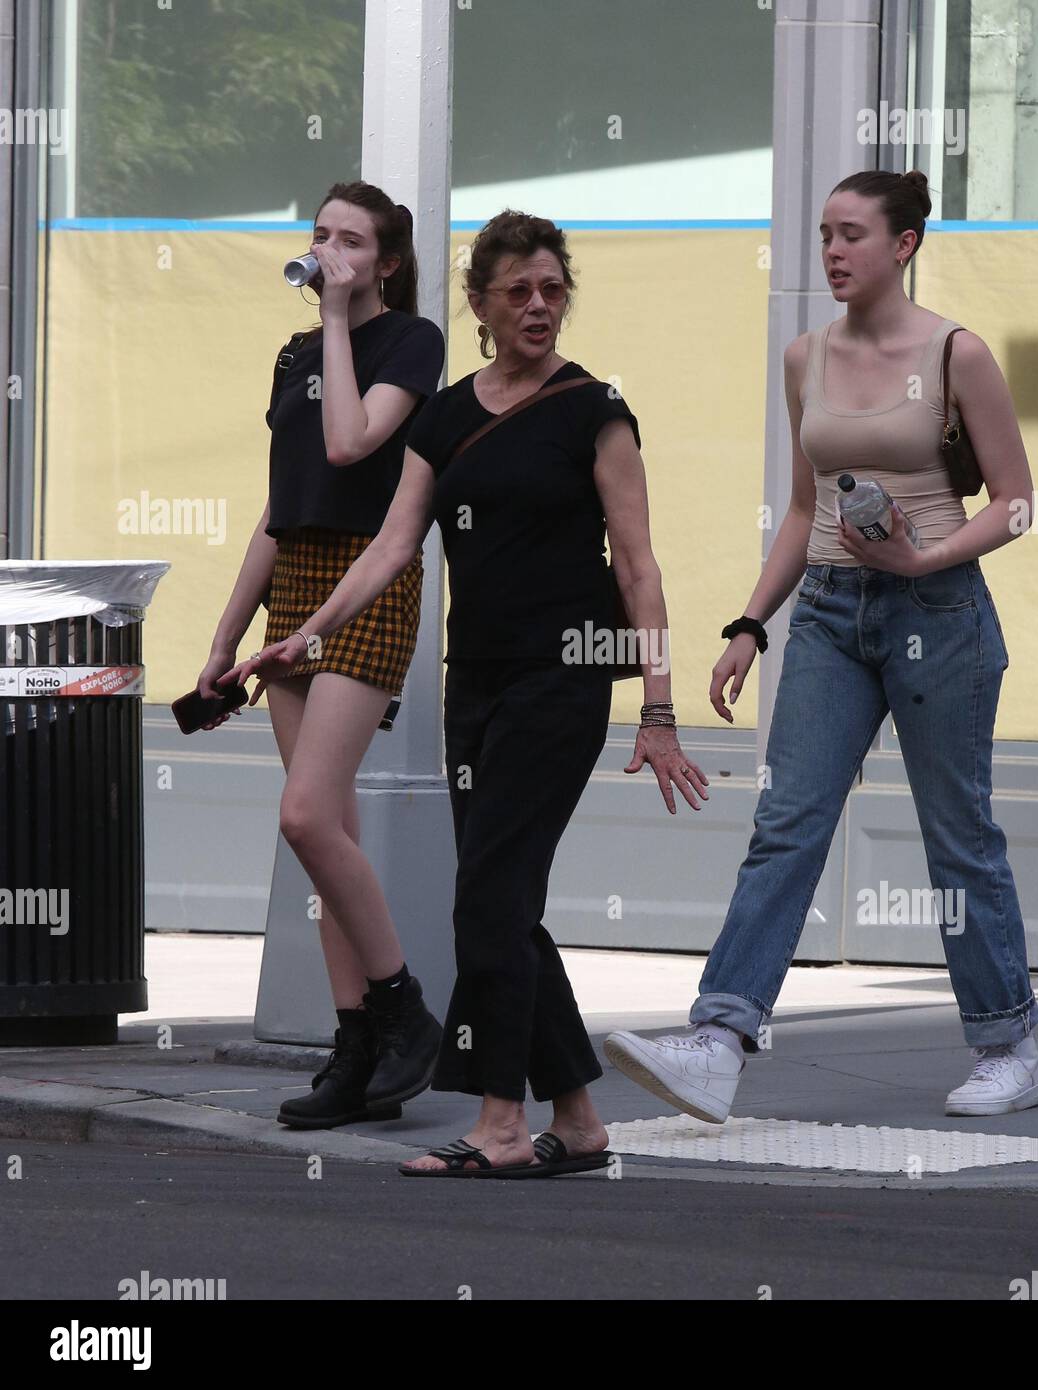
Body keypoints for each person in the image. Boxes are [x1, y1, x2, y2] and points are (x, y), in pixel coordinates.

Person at [221, 209, 708, 1177]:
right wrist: (305, 633)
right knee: (507, 901)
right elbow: (394, 546)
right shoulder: (444, 415)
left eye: (552, 288)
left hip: (565, 674)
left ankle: (498, 1123)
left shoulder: (592, 409)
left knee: (484, 897)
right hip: (474, 680)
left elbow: (641, 568)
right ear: (480, 307)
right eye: (517, 292)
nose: (539, 305)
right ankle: (576, 1119)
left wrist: (658, 706)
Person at [605, 169, 1038, 1123]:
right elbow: (808, 508)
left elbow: (1014, 500)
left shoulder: (955, 354)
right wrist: (751, 623)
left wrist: (925, 558)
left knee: (957, 834)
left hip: (939, 618)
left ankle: (1007, 1044)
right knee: (787, 821)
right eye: (823, 235)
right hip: (832, 616)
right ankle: (719, 1039)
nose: (833, 252)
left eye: (851, 234)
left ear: (904, 245)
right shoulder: (805, 356)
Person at [200, 180, 446, 1130]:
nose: (328, 253)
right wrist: (226, 632)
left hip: (367, 578)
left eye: (351, 242)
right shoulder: (294, 353)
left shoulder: (405, 342)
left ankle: (402, 1006)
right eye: (319, 236)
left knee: (303, 814)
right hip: (295, 578)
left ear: (385, 262)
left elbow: (349, 445)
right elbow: (282, 501)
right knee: (325, 830)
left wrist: (341, 319)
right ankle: (358, 1053)